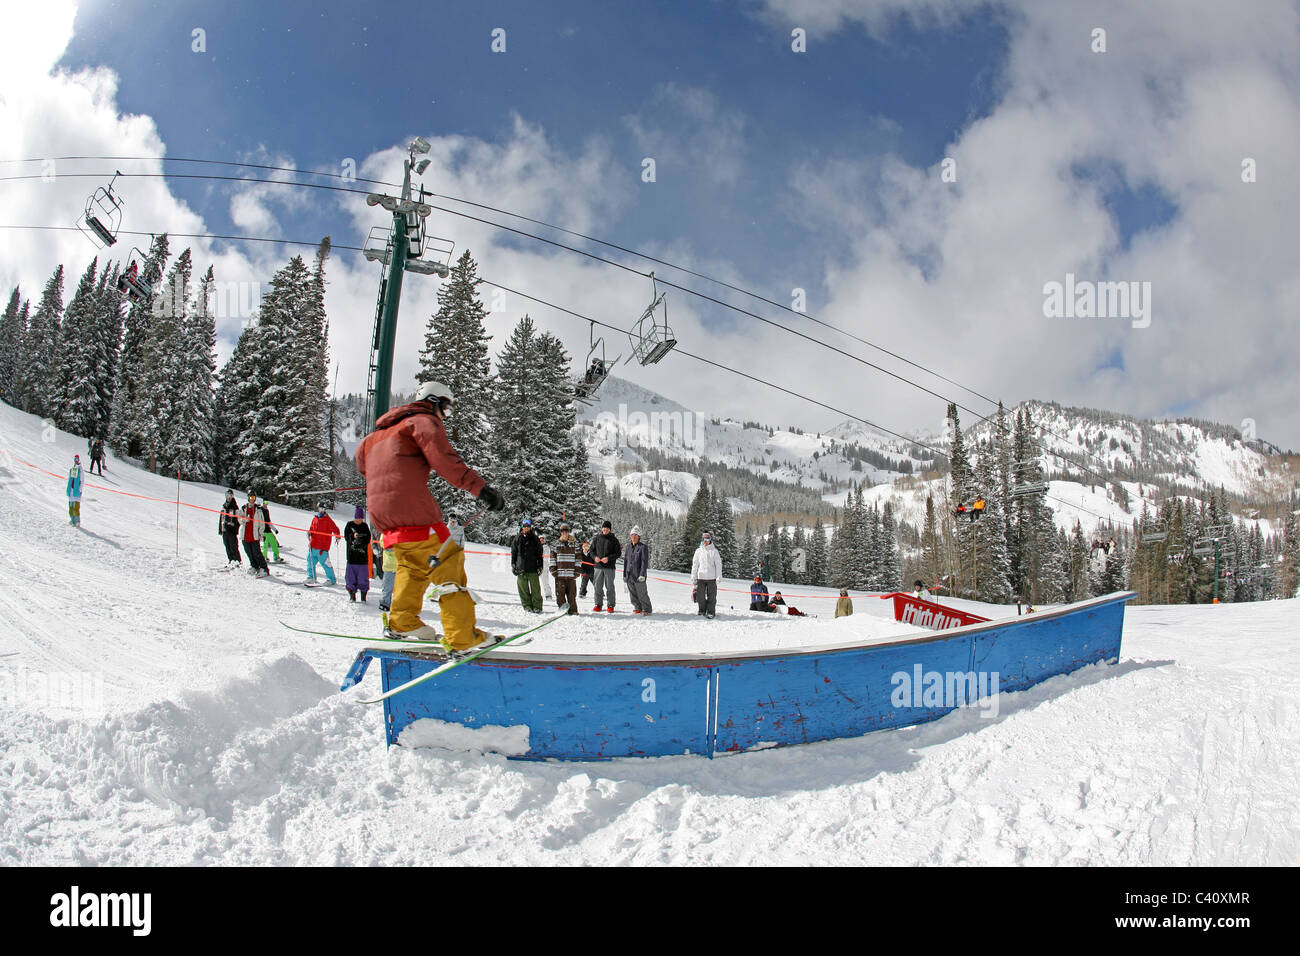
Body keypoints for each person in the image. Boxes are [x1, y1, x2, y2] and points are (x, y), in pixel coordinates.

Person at [354, 379, 506, 648]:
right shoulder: (423, 421)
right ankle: (462, 637)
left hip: (385, 521)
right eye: (445, 409)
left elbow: (362, 465)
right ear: (434, 402)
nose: (444, 417)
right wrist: (482, 490)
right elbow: (445, 461)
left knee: (411, 566)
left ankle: (402, 622)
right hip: (413, 512)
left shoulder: (373, 438)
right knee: (448, 560)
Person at [510, 518, 544, 613]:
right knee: (523, 589)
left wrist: (540, 565)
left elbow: (539, 553)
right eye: (524, 526)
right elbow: (514, 553)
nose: (526, 528)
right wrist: (513, 565)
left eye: (528, 526)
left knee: (535, 589)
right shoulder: (517, 538)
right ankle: (527, 605)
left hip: (533, 567)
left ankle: (537, 606)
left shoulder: (535, 538)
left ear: (530, 527)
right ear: (522, 527)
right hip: (521, 568)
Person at [591, 520, 621, 612]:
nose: (605, 529)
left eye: (607, 528)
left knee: (610, 587)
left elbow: (618, 553)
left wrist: (608, 558)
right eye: (604, 528)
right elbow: (591, 551)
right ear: (601, 528)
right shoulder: (597, 538)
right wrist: (595, 557)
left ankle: (610, 605)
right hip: (598, 567)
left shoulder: (614, 540)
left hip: (609, 567)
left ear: (610, 530)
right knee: (598, 586)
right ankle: (598, 604)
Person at [344, 505, 372, 602]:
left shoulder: (365, 526)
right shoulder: (349, 525)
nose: (360, 520)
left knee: (363, 578)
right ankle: (352, 594)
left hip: (362, 559)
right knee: (350, 578)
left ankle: (363, 594)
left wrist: (361, 540)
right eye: (358, 518)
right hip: (351, 558)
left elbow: (368, 538)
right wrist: (353, 536)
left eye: (361, 518)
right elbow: (346, 536)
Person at [691, 531, 722, 618]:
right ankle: (702, 610)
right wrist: (693, 576)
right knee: (700, 596)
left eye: (708, 538)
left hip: (711, 578)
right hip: (701, 577)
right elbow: (695, 564)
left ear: (710, 540)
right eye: (705, 538)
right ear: (702, 539)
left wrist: (718, 576)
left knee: (712, 596)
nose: (706, 540)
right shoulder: (698, 551)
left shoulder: (714, 551)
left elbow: (718, 564)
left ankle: (711, 612)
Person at [551, 523, 580, 615]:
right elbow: (552, 559)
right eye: (562, 531)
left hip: (571, 575)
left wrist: (577, 571)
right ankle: (563, 610)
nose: (564, 533)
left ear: (568, 532)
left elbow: (578, 559)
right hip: (560, 575)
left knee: (571, 595)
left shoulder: (575, 544)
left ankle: (573, 610)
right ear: (560, 532)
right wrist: (553, 571)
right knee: (560, 595)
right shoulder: (556, 544)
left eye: (566, 531)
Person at [307, 503, 340, 585]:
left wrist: (337, 536)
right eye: (320, 509)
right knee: (310, 562)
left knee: (325, 564)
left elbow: (335, 528)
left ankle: (331, 580)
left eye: (323, 509)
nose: (321, 510)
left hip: (322, 547)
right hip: (313, 545)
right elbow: (311, 528)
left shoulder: (328, 520)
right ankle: (312, 577)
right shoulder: (315, 518)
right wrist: (309, 533)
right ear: (318, 509)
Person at [240, 491, 270, 577]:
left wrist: (261, 533)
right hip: (245, 535)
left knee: (257, 552)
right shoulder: (243, 508)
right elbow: (239, 519)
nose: (252, 500)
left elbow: (262, 523)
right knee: (249, 552)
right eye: (251, 498)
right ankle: (254, 566)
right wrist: (244, 519)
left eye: (253, 498)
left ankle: (264, 568)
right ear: (248, 498)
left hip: (254, 535)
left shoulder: (258, 510)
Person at [623, 526, 652, 615]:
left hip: (639, 575)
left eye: (636, 535)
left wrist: (642, 574)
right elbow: (626, 561)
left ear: (639, 536)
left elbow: (644, 562)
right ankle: (637, 607)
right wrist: (624, 575)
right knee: (632, 593)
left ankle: (647, 609)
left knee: (642, 593)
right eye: (632, 535)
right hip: (629, 574)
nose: (634, 537)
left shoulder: (643, 547)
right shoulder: (628, 547)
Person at [218, 489, 242, 566]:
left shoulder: (234, 507)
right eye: (227, 495)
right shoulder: (224, 506)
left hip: (232, 530)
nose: (228, 497)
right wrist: (220, 529)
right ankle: (231, 561)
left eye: (230, 496)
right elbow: (221, 518)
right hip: (225, 529)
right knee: (227, 546)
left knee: (233, 546)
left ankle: (237, 561)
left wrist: (235, 528)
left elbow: (238, 520)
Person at [260, 498, 284, 564]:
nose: (266, 504)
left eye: (267, 502)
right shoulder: (260, 510)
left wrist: (275, 529)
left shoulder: (267, 510)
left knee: (274, 543)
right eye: (265, 502)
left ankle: (276, 557)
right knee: (265, 544)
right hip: (263, 530)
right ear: (263, 502)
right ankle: (264, 557)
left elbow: (269, 521)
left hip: (268, 530)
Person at [66, 454, 83, 526]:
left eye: (77, 459)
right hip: (71, 490)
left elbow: (82, 480)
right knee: (70, 507)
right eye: (75, 459)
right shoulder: (72, 469)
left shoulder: (80, 469)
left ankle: (77, 521)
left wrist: (80, 489)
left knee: (76, 507)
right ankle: (72, 520)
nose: (76, 461)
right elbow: (69, 479)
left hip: (76, 491)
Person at [537, 534, 554, 604]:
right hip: (537, 566)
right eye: (540, 539)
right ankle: (536, 594)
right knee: (535, 582)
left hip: (544, 566)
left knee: (545, 581)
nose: (541, 540)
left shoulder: (546, 547)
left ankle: (548, 595)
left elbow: (547, 557)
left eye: (542, 539)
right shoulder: (536, 547)